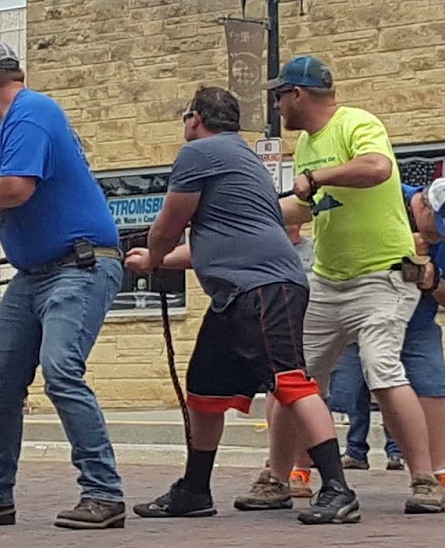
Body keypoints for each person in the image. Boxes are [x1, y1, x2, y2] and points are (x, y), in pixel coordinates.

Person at [125, 87, 357, 524]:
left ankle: (337, 489)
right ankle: (194, 489)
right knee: (205, 389)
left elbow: (169, 226)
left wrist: (154, 255)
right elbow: (219, 241)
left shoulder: (198, 154)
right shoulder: (243, 158)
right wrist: (159, 260)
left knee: (290, 382)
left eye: (185, 116)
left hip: (263, 288)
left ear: (195, 119)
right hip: (240, 290)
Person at [0, 37, 127, 530]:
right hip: (35, 274)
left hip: (78, 268)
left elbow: (13, 189)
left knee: (61, 371)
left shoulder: (32, 113)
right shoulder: (10, 129)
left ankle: (104, 493)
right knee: (1, 382)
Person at [259, 54, 445, 514]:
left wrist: (315, 176)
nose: (277, 106)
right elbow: (309, 207)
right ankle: (276, 479)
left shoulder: (356, 123)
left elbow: (377, 168)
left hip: (382, 275)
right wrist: (253, 213)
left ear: (298, 94)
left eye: (279, 96)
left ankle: (425, 480)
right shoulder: (307, 144)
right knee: (293, 378)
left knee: (381, 370)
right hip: (329, 280)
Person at [332, 178, 445, 504]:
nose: (440, 235)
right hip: (360, 312)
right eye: (437, 226)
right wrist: (397, 251)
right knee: (319, 385)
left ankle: (439, 474)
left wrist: (433, 280)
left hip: (416, 322)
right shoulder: (385, 200)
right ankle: (294, 470)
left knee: (432, 384)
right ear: (423, 205)